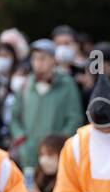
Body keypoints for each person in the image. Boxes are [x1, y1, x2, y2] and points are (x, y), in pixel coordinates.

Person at [9, 39, 83, 170]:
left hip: (56, 155)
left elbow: (75, 118)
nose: (38, 62)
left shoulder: (67, 85)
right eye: (35, 58)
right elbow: (14, 117)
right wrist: (21, 141)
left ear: (53, 60)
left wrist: (60, 142)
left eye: (43, 58)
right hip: (29, 155)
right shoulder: (25, 85)